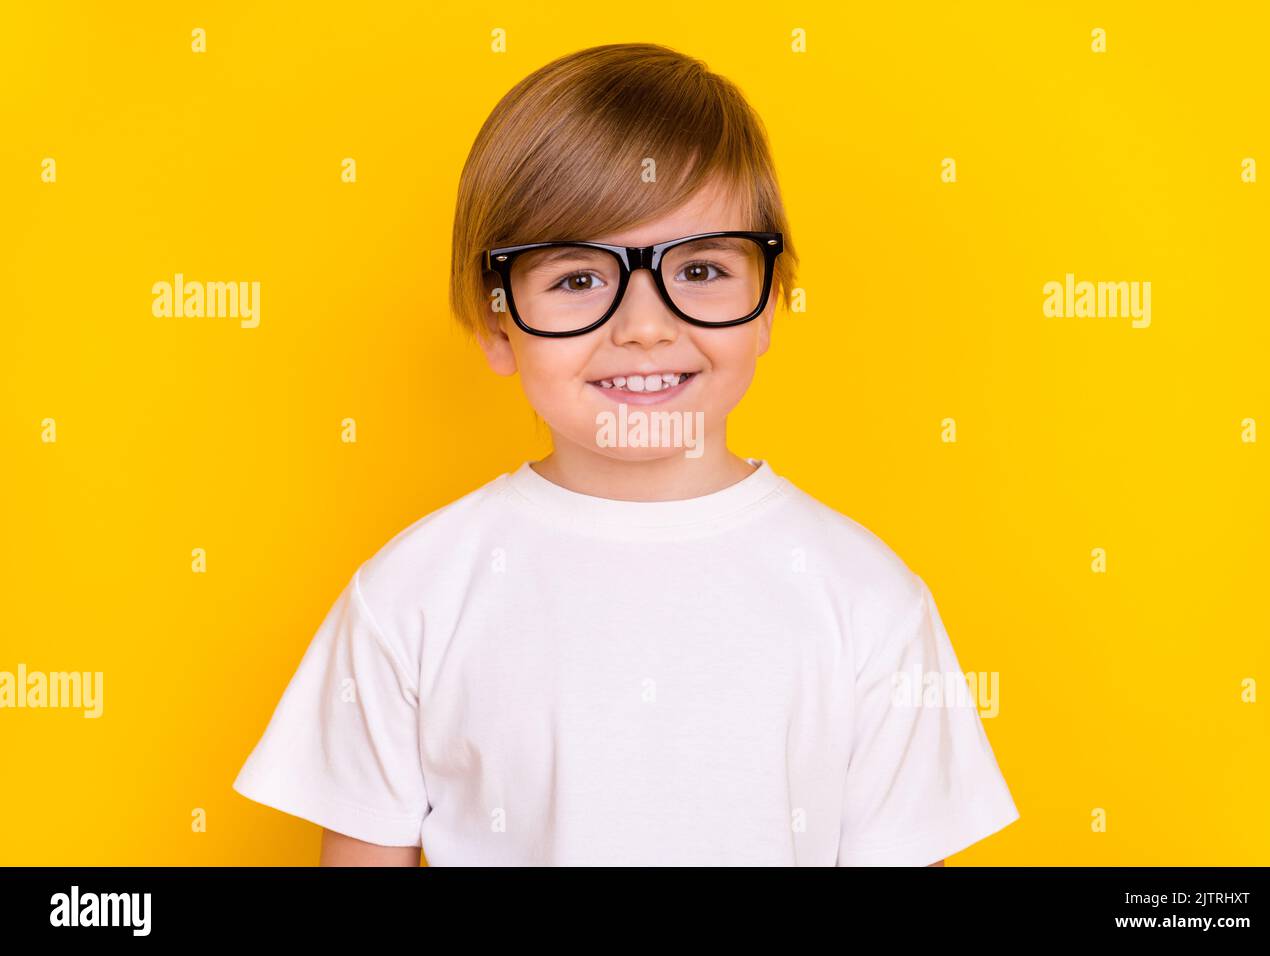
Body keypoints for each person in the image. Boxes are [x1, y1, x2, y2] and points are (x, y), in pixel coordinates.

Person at [232, 41, 1019, 866]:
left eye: (702, 268)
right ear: (495, 324)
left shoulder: (866, 600)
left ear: (768, 308)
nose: (645, 326)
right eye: (578, 279)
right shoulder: (414, 595)